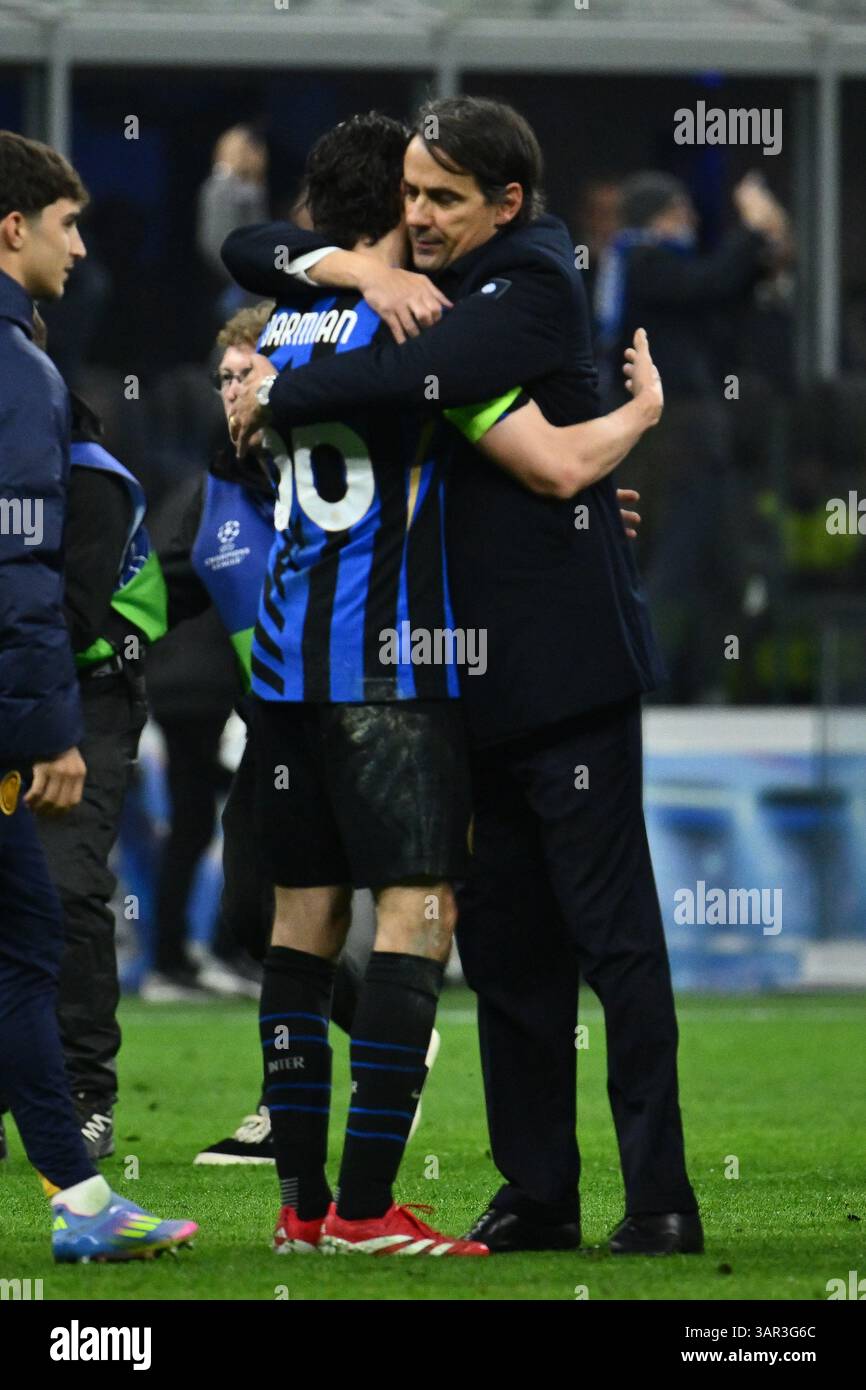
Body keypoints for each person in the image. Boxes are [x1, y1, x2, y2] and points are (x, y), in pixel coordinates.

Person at [228, 96, 699, 1256]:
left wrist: (271, 386)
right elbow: (255, 254)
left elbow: (427, 380)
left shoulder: (529, 276)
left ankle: (659, 1200)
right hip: (445, 685)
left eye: (445, 198)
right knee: (500, 955)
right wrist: (348, 267)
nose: (424, 218)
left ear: (507, 202)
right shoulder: (378, 300)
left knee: (610, 941)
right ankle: (532, 1194)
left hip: (559, 677)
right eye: (411, 198)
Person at [0, 128, 195, 1261]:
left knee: (25, 939)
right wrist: (46, 733)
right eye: (68, 224)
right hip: (17, 719)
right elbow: (19, 568)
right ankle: (81, 1204)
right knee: (29, 941)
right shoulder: (18, 370)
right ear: (12, 227)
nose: (83, 246)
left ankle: (81, 1203)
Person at [594, 169, 791, 700]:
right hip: (677, 438)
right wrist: (751, 229)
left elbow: (717, 296)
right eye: (683, 212)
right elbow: (707, 283)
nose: (691, 221)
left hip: (695, 439)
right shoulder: (642, 260)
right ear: (662, 216)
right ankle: (641, 689)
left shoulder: (646, 267)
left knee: (725, 571)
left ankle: (711, 685)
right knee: (674, 565)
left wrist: (759, 259)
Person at [35, 377, 166, 1160]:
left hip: (88, 699)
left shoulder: (90, 475)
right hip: (26, 687)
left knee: (65, 886)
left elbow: (67, 615)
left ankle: (87, 1089)